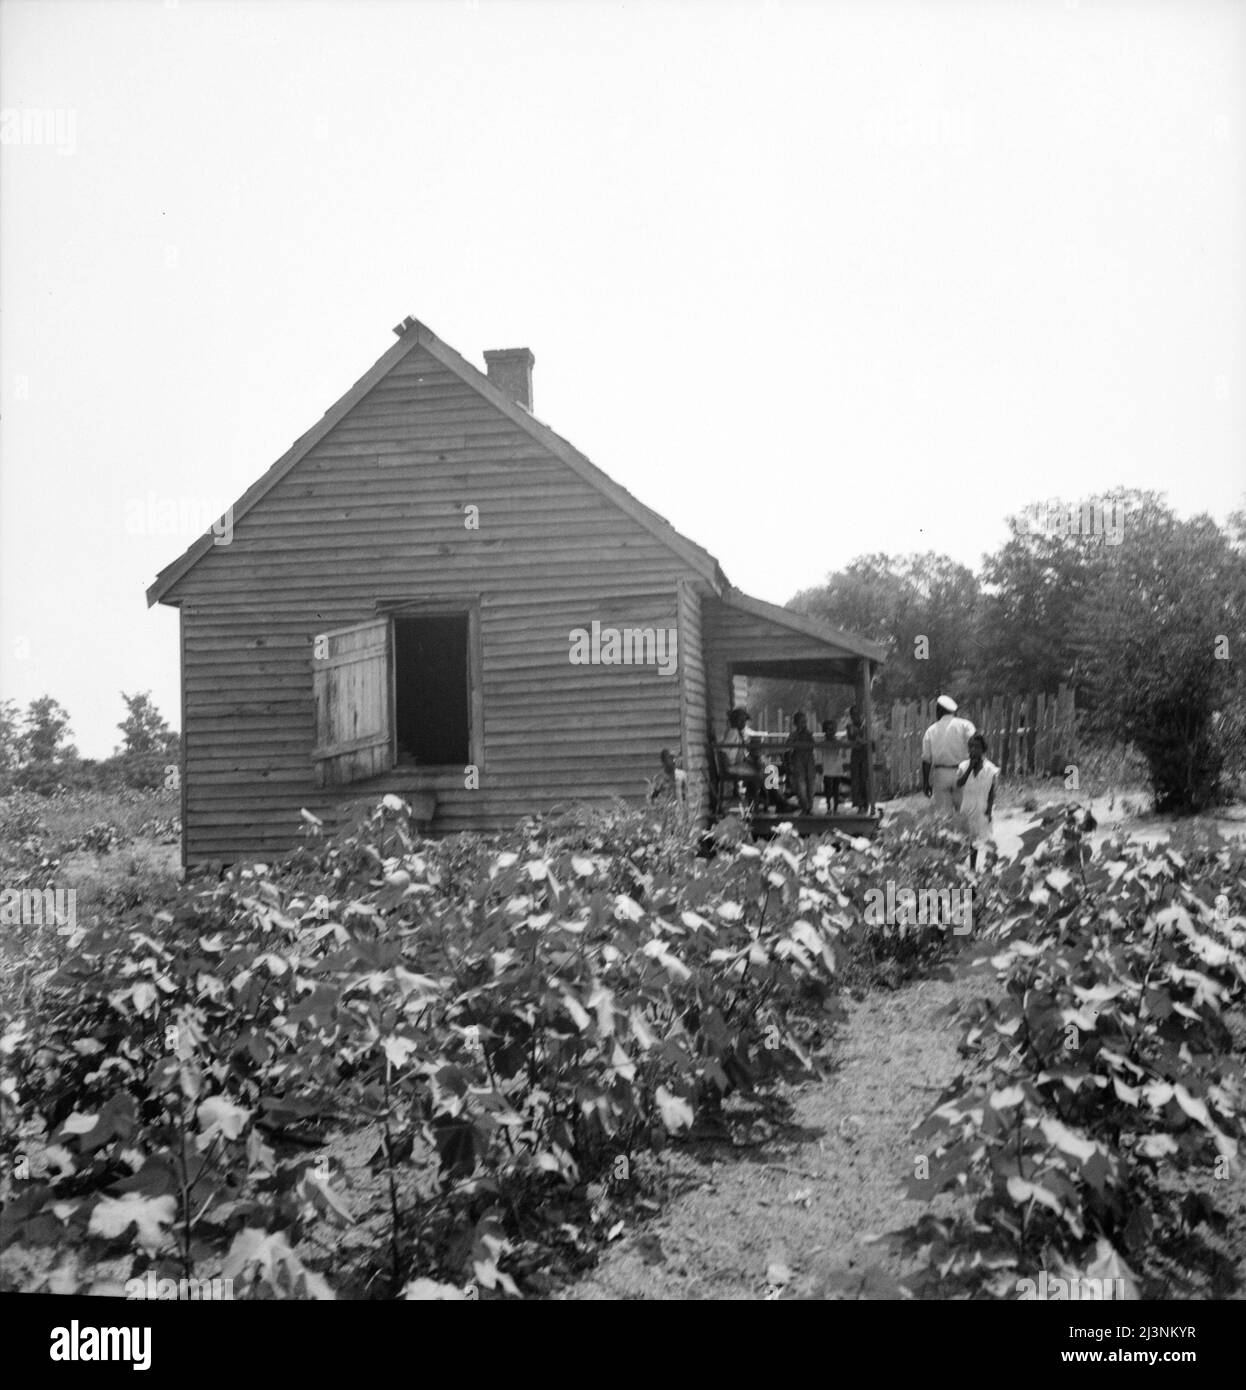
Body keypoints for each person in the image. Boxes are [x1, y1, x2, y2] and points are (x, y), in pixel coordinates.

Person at [922, 695, 975, 814]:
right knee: (965, 813)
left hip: (941, 775)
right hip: (963, 772)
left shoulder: (931, 730)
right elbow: (975, 748)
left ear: (939, 711)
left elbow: (926, 759)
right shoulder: (965, 725)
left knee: (944, 816)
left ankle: (950, 832)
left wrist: (926, 783)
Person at [956, 732, 998, 869]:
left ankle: (989, 869)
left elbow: (992, 791)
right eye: (971, 747)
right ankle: (972, 868)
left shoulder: (990, 769)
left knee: (986, 840)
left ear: (983, 750)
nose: (974, 750)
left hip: (982, 808)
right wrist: (969, 768)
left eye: (977, 747)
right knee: (969, 841)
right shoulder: (963, 766)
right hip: (967, 808)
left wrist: (989, 809)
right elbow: (959, 783)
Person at [717, 707, 763, 808]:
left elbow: (740, 752)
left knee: (761, 768)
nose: (743, 723)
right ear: (734, 721)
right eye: (741, 721)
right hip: (731, 766)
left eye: (744, 721)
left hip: (736, 764)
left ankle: (757, 800)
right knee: (759, 772)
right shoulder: (733, 732)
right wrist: (727, 767)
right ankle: (757, 801)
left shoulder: (738, 733)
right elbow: (723, 750)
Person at [788, 712, 816, 814]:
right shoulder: (793, 735)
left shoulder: (809, 734)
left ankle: (810, 806)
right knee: (800, 785)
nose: (804, 724)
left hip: (809, 761)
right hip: (798, 760)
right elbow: (788, 746)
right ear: (796, 723)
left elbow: (812, 745)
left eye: (805, 722)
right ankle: (805, 806)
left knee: (811, 784)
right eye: (802, 722)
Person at [845, 704, 870, 812]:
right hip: (855, 754)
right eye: (853, 714)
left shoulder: (865, 725)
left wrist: (860, 740)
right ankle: (859, 804)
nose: (855, 716)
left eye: (857, 714)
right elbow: (852, 738)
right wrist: (858, 739)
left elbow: (866, 740)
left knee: (864, 779)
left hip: (864, 755)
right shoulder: (850, 726)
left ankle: (866, 803)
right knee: (855, 780)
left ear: (860, 714)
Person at [820, 718, 844, 812]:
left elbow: (843, 752)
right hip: (827, 769)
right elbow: (818, 753)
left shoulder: (838, 742)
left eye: (833, 729)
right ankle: (828, 805)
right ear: (825, 731)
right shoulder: (823, 743)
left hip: (837, 768)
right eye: (829, 729)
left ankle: (836, 806)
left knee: (836, 789)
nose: (831, 731)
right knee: (828, 788)